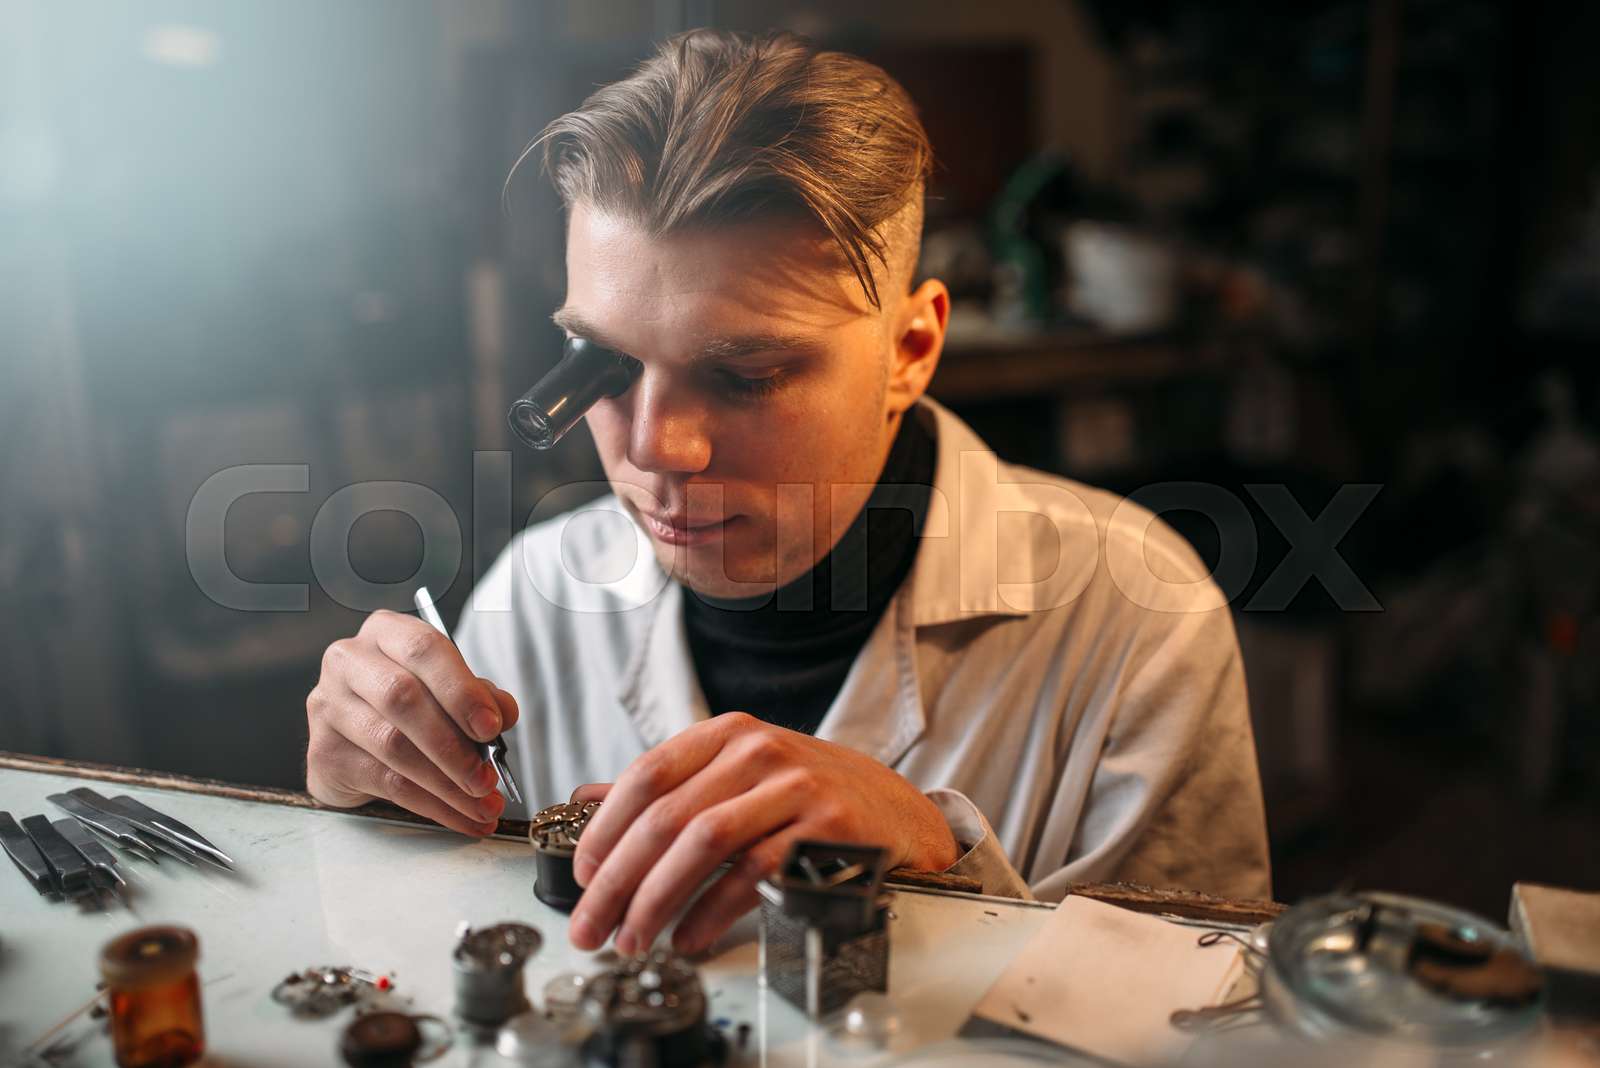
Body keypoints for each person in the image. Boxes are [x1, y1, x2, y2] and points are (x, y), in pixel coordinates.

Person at [305, 29, 1270, 958]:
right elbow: (449, 954)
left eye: (746, 375)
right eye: (601, 366)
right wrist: (374, 825)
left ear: (911, 351)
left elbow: (1208, 1015)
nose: (655, 449)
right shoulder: (539, 593)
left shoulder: (1135, 619)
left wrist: (941, 856)